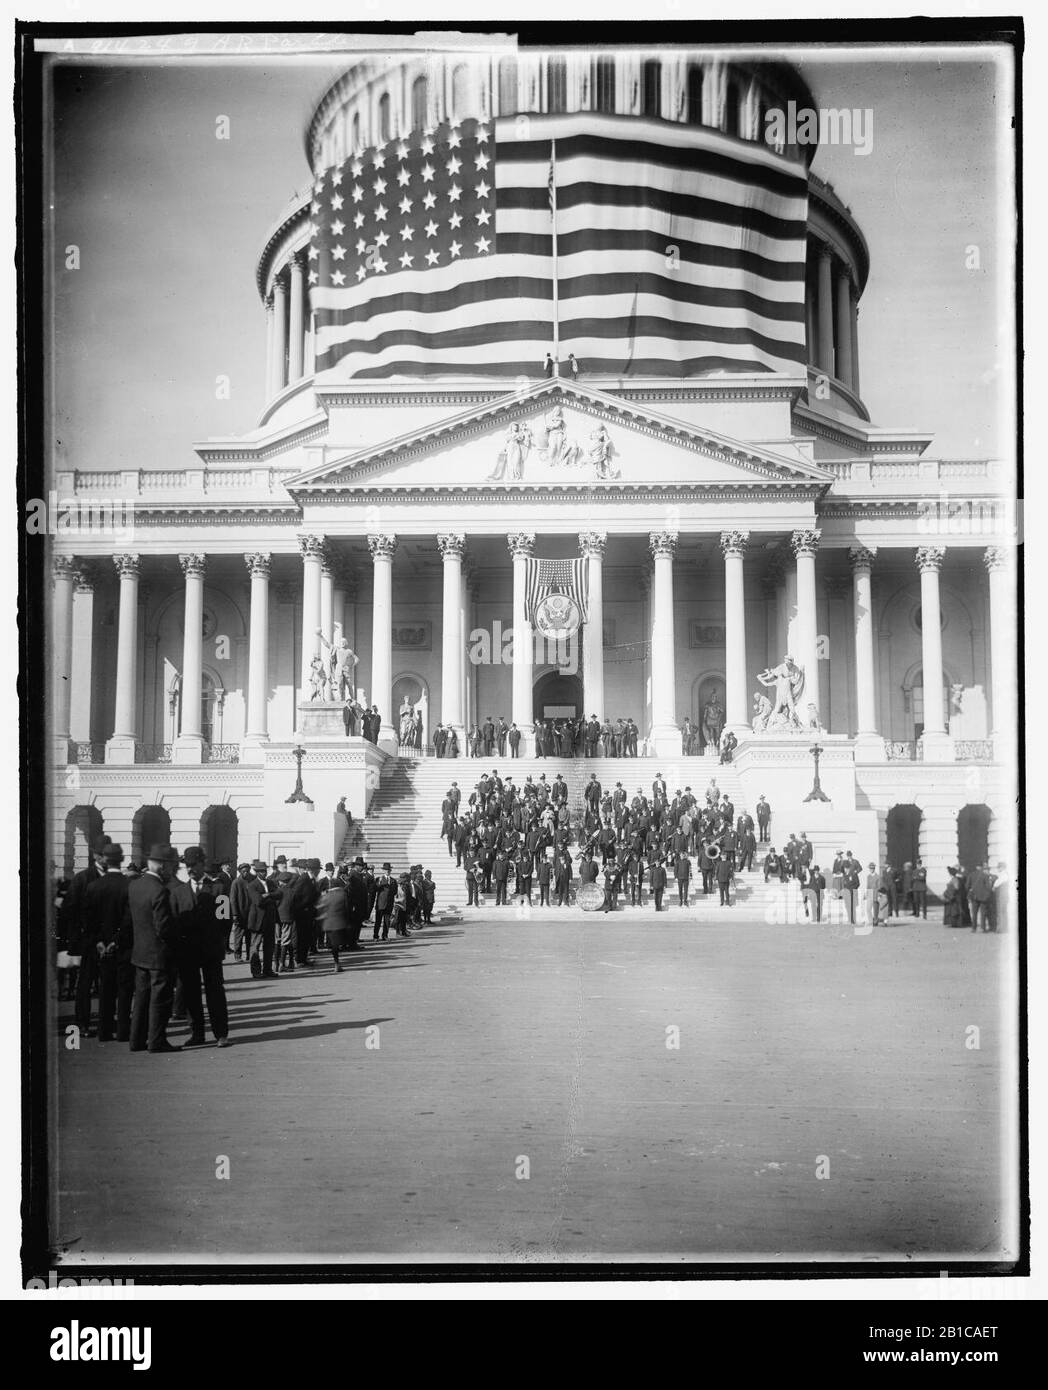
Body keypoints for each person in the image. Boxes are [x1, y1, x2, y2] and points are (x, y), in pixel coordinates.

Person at [127, 844, 182, 1054]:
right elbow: (163, 927)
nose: (172, 871)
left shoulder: (135, 885)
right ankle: (157, 1041)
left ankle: (136, 1041)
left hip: (140, 952)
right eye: (171, 866)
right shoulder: (160, 890)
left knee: (141, 998)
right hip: (159, 954)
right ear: (163, 866)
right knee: (160, 999)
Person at [83, 843, 134, 1043]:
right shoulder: (128, 885)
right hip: (124, 946)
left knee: (105, 988)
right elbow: (129, 919)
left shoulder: (94, 887)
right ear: (121, 861)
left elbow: (88, 921)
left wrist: (99, 942)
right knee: (124, 989)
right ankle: (123, 1031)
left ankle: (103, 1031)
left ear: (105, 860)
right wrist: (116, 941)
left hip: (102, 947)